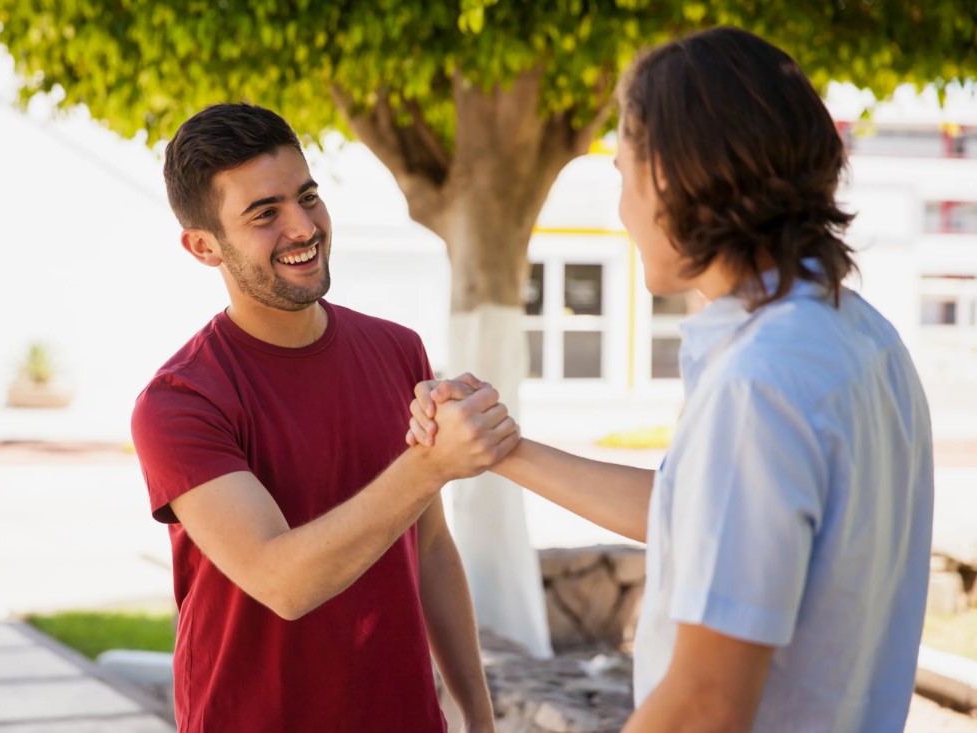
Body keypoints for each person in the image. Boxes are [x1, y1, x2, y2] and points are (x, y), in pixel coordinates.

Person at [408, 27, 934, 733]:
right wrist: (503, 448)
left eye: (622, 173)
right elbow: (695, 513)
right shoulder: (862, 336)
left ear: (671, 175)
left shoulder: (760, 381)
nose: (621, 209)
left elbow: (706, 704)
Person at [131, 102, 516, 732]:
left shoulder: (398, 350)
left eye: (307, 197)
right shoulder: (179, 402)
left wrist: (477, 715)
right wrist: (429, 467)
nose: (303, 227)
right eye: (266, 214)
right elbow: (284, 583)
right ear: (204, 246)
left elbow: (433, 548)